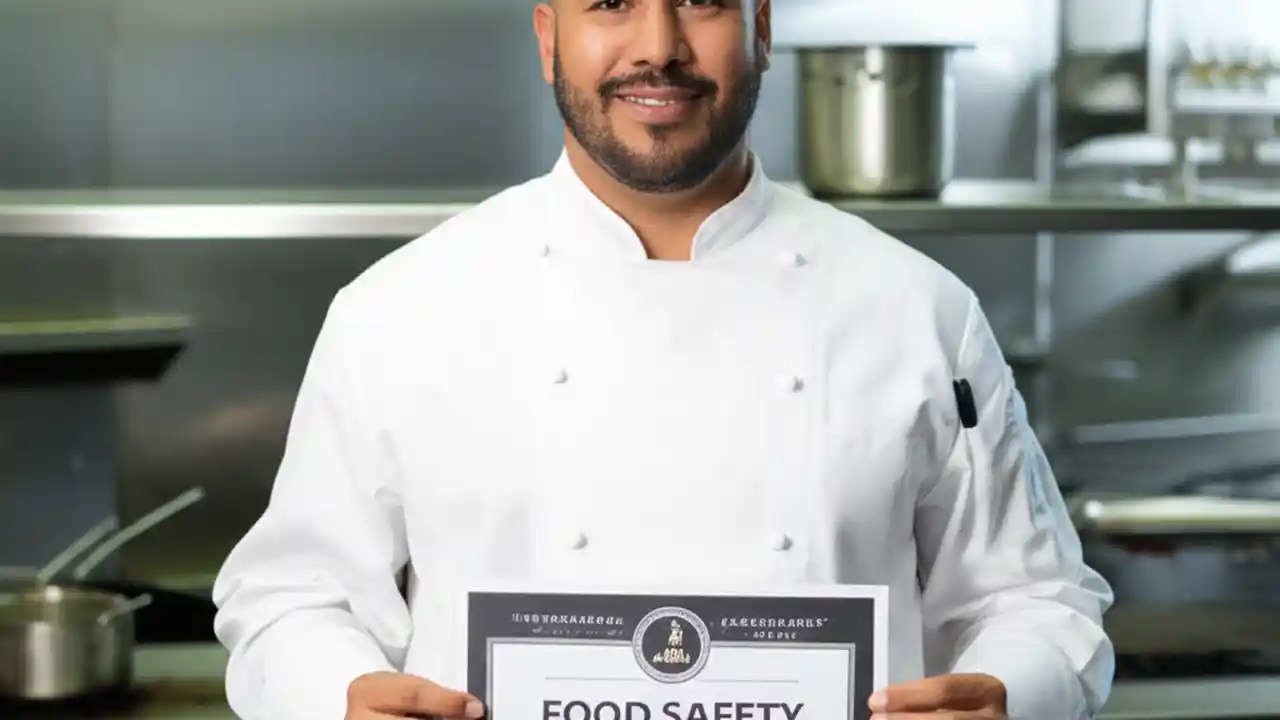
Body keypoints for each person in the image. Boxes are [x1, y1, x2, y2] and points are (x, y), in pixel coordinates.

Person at [212, 1, 1116, 719]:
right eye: (612, 2)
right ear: (547, 38)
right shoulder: (398, 310)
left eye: (703, 1)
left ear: (763, 28)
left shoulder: (916, 309)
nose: (659, 47)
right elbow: (291, 598)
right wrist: (338, 698)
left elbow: (1038, 603)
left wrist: (1006, 694)